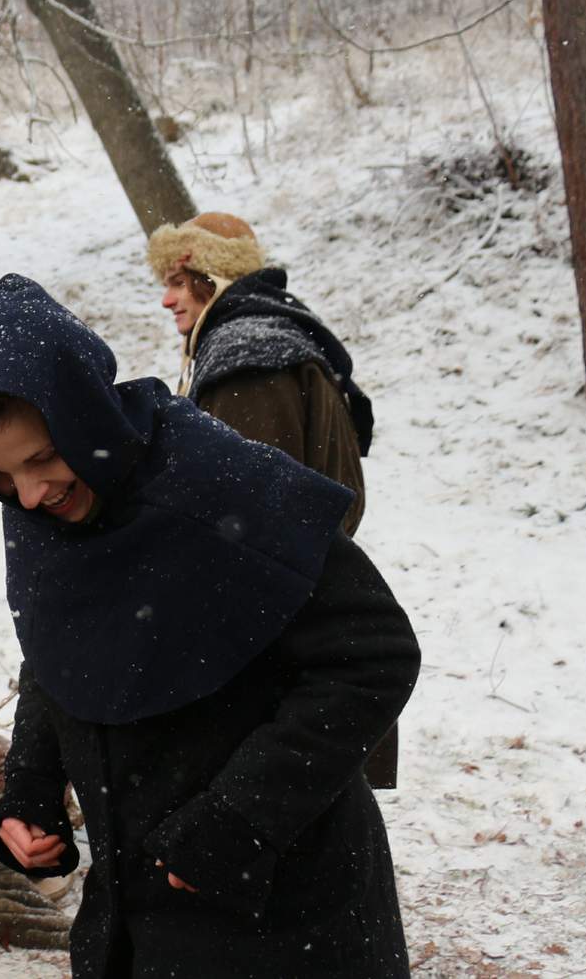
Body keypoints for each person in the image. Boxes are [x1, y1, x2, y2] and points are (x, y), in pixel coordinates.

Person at [0, 274, 418, 979]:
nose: (31, 494)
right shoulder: (45, 510)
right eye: (2, 478)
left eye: (42, 458)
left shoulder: (219, 480)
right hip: (135, 920)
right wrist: (31, 794)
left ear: (84, 415)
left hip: (287, 918)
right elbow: (56, 646)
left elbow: (372, 653)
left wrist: (238, 821)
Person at [149, 211, 398, 788]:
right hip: (295, 619)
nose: (166, 300)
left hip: (273, 639)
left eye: (178, 283)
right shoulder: (272, 341)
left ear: (213, 279)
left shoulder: (249, 365)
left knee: (271, 811)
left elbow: (247, 522)